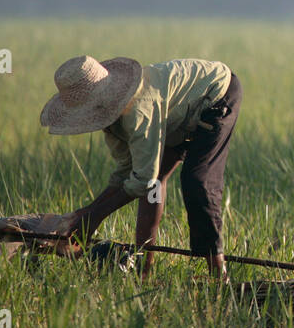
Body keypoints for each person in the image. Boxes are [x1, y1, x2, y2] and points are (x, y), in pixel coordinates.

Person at [39, 55, 240, 280]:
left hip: (214, 96)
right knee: (155, 185)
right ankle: (144, 268)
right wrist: (87, 212)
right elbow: (128, 171)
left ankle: (218, 274)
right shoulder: (112, 122)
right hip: (176, 115)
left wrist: (95, 216)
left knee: (197, 182)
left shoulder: (138, 110)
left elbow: (142, 178)